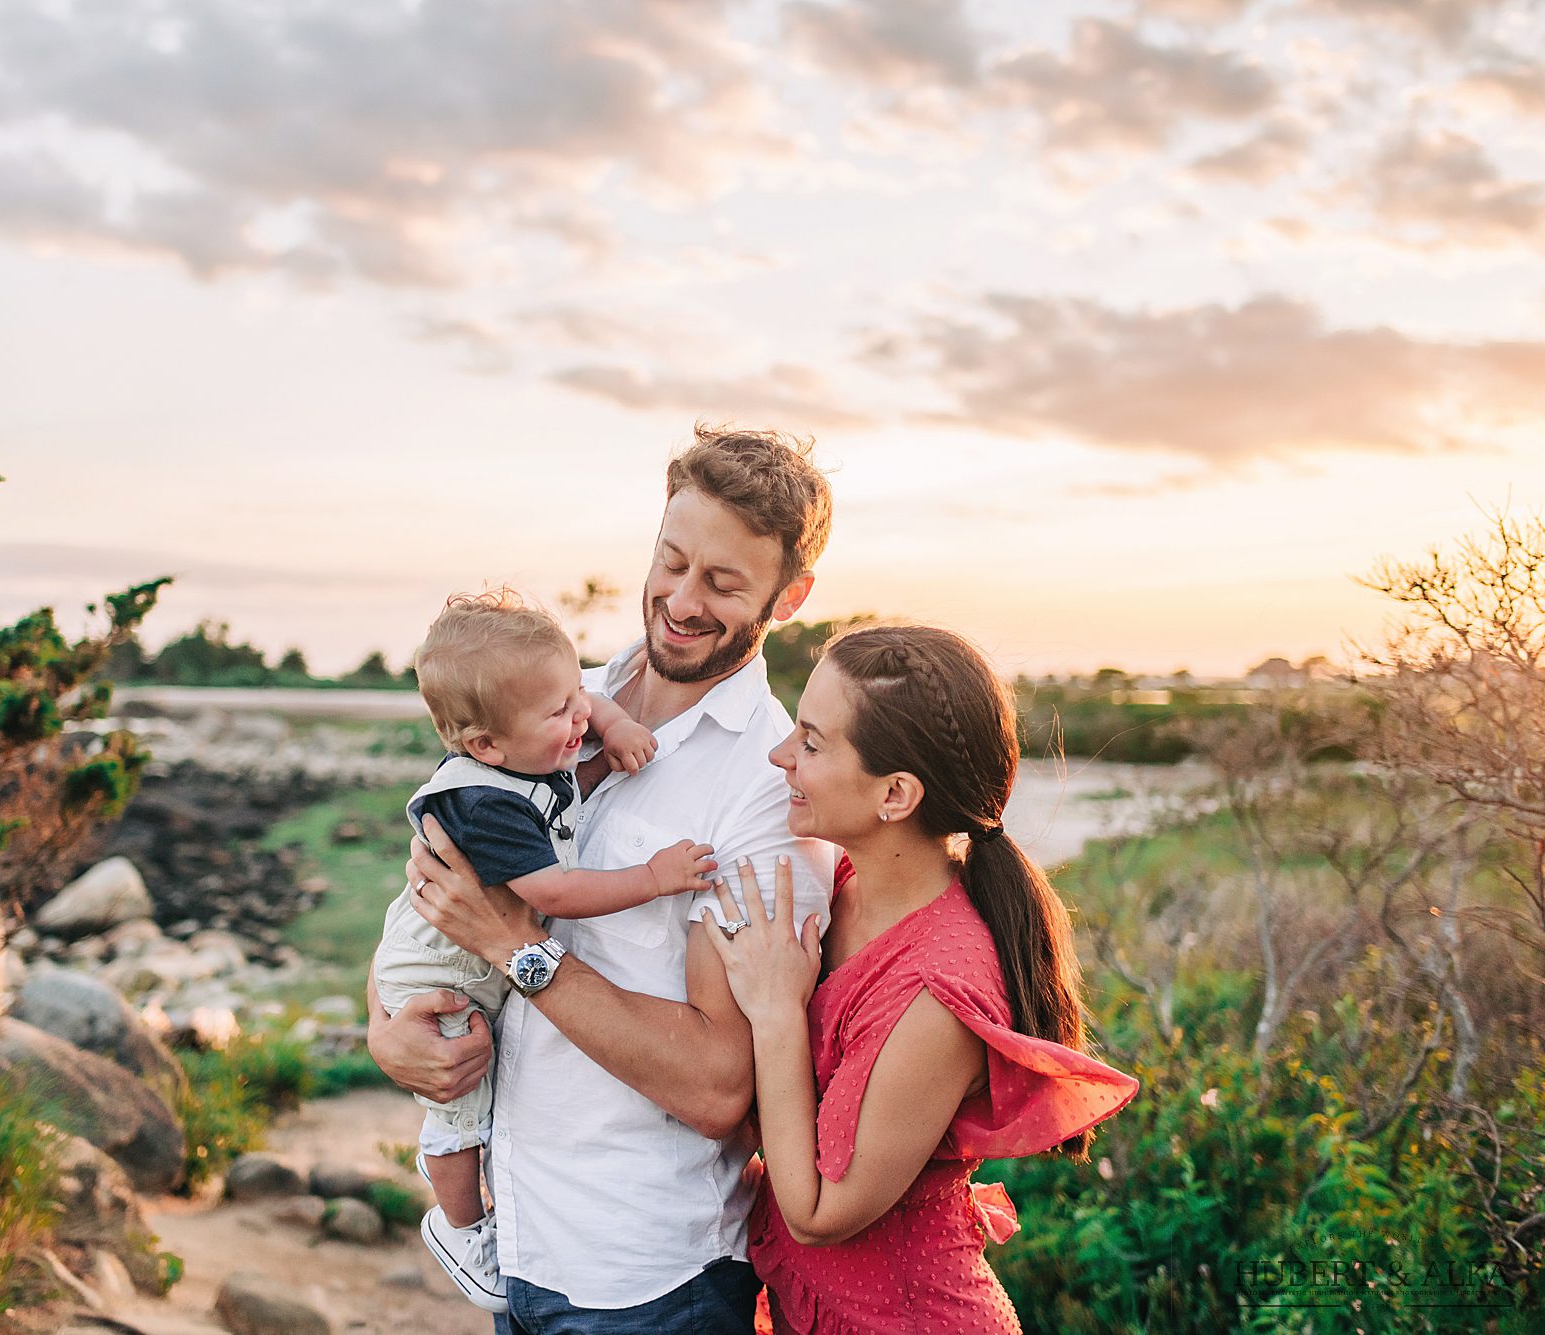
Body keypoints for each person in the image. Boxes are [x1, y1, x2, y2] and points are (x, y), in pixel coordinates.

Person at [371, 425, 837, 1334]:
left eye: (724, 582)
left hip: (648, 1278)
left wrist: (515, 946)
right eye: (671, 560)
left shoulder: (768, 793)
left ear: (792, 596)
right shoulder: (549, 695)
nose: (681, 598)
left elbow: (719, 1087)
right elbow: (428, 901)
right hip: (522, 1250)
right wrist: (387, 1032)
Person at [706, 624, 1140, 1333]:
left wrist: (778, 1012)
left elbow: (819, 1213)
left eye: (811, 743)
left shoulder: (938, 991)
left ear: (896, 793)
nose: (781, 754)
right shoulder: (845, 883)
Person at [374, 589, 719, 1311]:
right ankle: (462, 1226)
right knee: (458, 1105)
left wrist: (614, 725)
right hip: (442, 972)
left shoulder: (535, 727)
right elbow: (556, 893)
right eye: (561, 712)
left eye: (578, 698)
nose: (580, 717)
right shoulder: (486, 804)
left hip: (464, 957)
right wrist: (653, 878)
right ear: (487, 747)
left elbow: (585, 719)